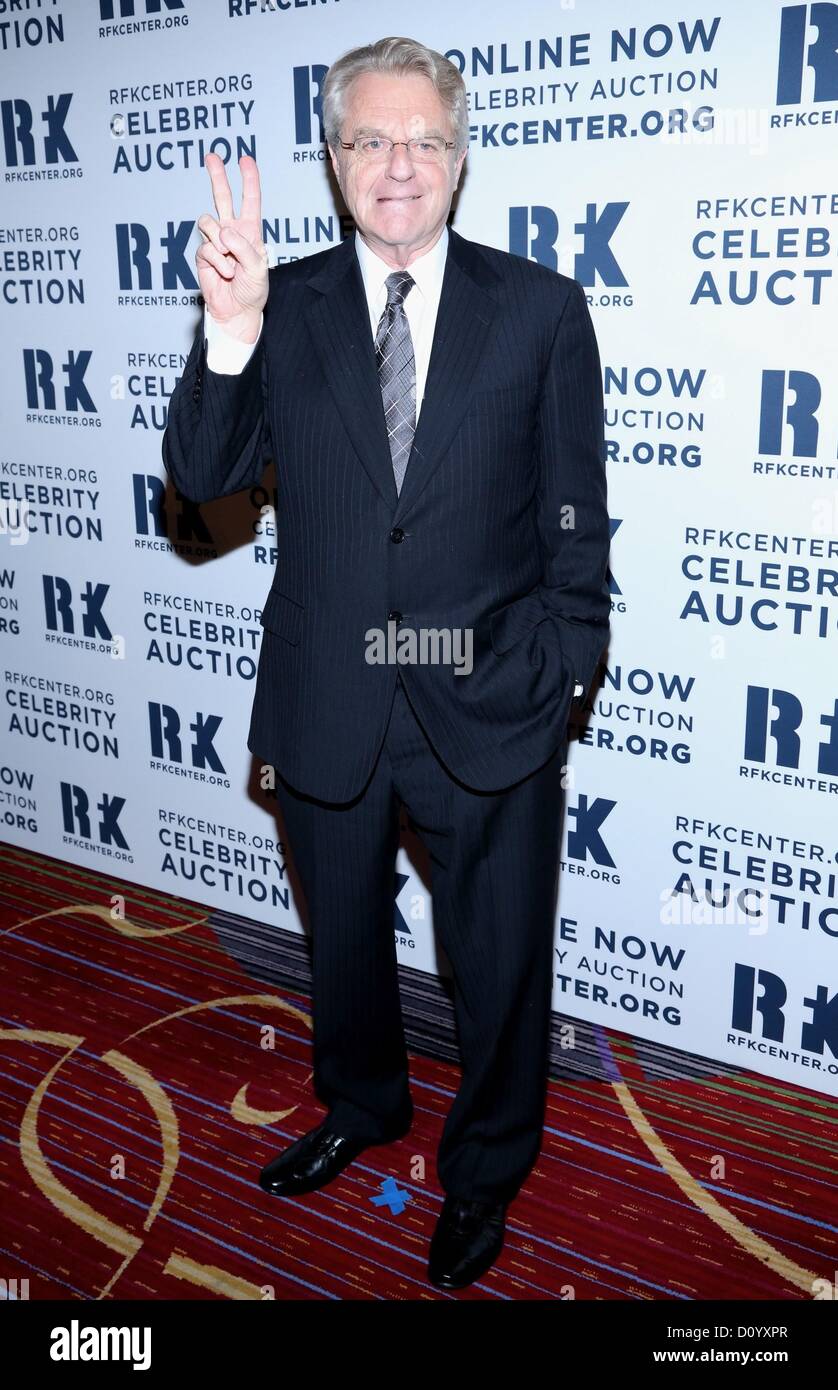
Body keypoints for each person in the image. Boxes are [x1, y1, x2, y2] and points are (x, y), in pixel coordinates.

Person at [162, 35, 610, 1291]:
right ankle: (360, 1103)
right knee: (343, 940)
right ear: (334, 158)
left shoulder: (538, 309)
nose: (397, 164)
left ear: (459, 159)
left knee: (502, 961)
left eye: (422, 139)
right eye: (370, 139)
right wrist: (229, 330)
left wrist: (568, 658)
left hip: (493, 699)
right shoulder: (278, 302)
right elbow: (199, 485)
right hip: (328, 692)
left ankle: (484, 1174)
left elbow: (575, 509)